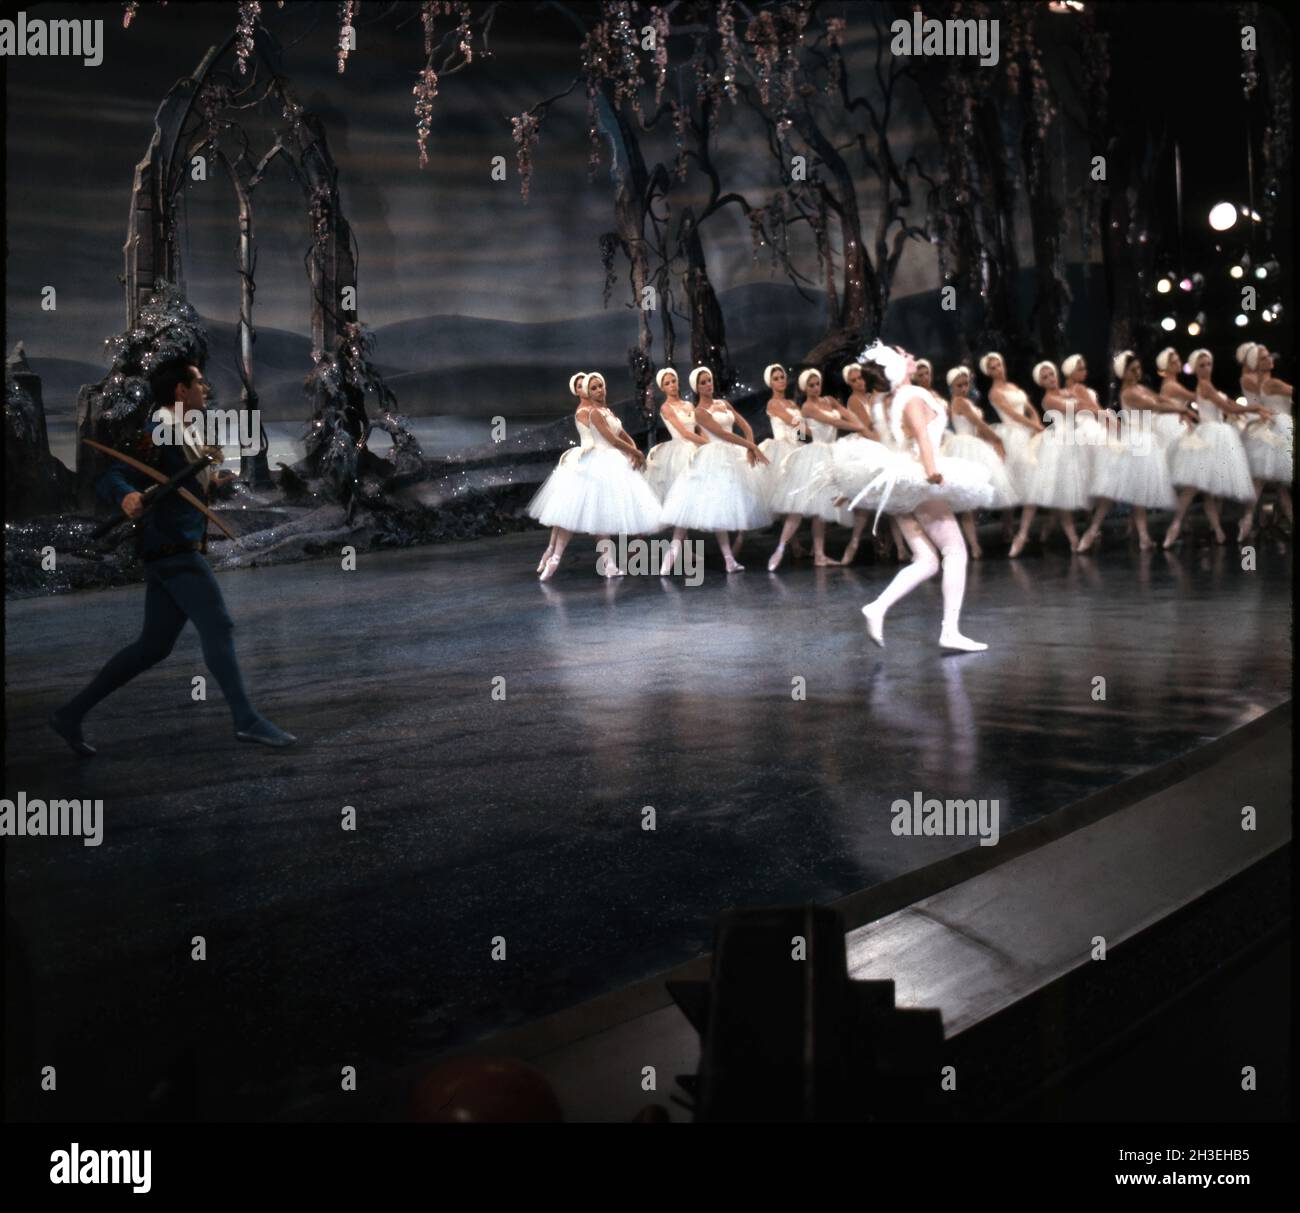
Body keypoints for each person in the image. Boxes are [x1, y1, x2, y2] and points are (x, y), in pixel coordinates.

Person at [49, 358, 296, 755]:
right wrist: (127, 495)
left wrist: (213, 482)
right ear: (180, 390)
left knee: (153, 646)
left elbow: (182, 483)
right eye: (198, 383)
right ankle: (246, 720)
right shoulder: (158, 430)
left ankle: (70, 714)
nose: (205, 389)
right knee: (219, 625)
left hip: (174, 549)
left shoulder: (183, 432)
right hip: (173, 552)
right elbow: (113, 474)